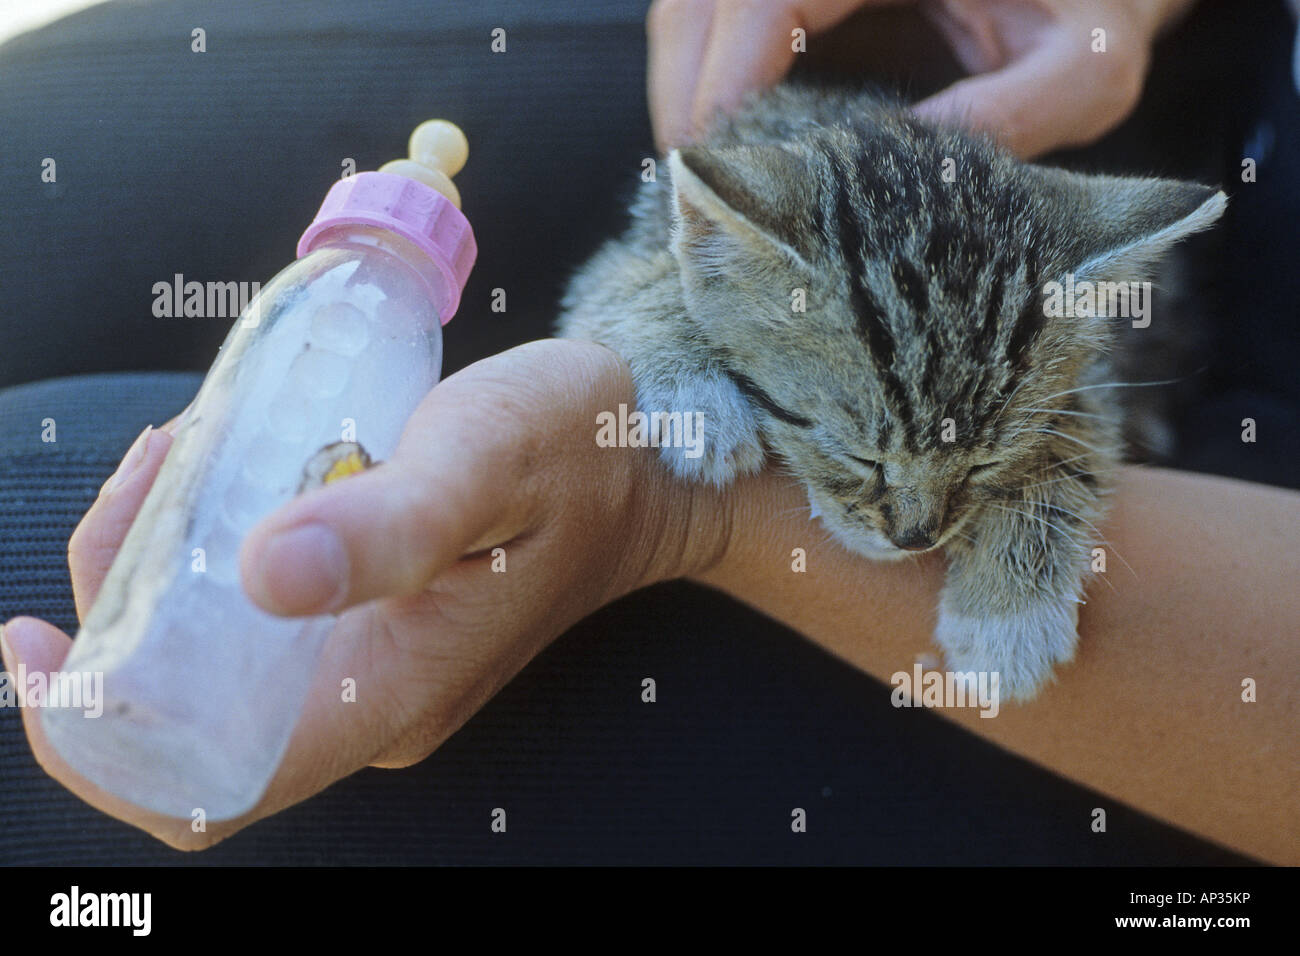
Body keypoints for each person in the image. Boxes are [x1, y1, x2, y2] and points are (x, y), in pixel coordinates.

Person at [1, 0, 1294, 864]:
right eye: (875, 471)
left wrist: (676, 507)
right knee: (35, 153)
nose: (909, 529)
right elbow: (654, 268)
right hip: (1218, 66)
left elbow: (1065, 402)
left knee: (32, 493)